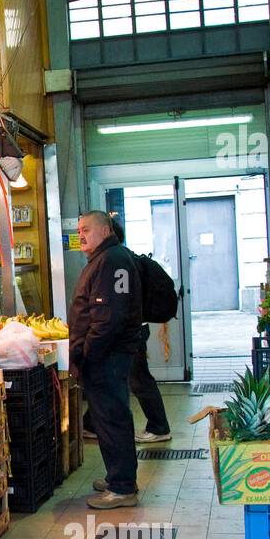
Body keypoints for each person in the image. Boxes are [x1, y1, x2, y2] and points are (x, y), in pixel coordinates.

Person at [70, 211, 144, 510]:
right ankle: (119, 478)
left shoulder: (111, 260)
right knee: (110, 419)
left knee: (112, 419)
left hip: (107, 357)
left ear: (104, 229)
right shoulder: (108, 259)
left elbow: (108, 317)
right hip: (108, 355)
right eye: (79, 230)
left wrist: (87, 353)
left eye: (86, 229)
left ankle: (123, 487)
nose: (81, 235)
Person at [82, 216, 171, 445]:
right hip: (133, 330)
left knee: (138, 379)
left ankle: (159, 426)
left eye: (87, 230)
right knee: (119, 379)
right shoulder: (122, 258)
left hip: (129, 332)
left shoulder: (118, 261)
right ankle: (90, 424)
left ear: (108, 233)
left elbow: (117, 306)